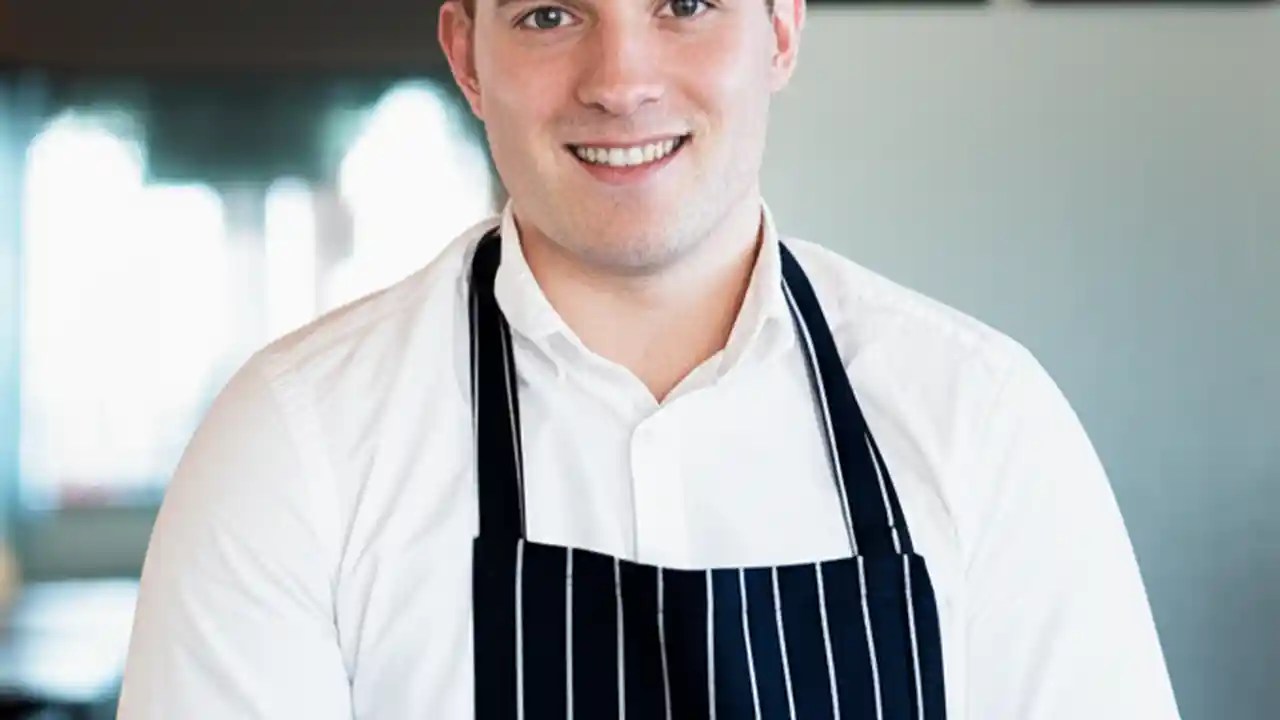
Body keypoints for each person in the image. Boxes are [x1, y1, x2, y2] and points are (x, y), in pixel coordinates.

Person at [118, 0, 1181, 716]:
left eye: (681, 1)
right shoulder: (293, 447)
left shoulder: (984, 423)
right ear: (464, 53)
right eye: (548, 13)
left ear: (777, 27)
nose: (620, 81)